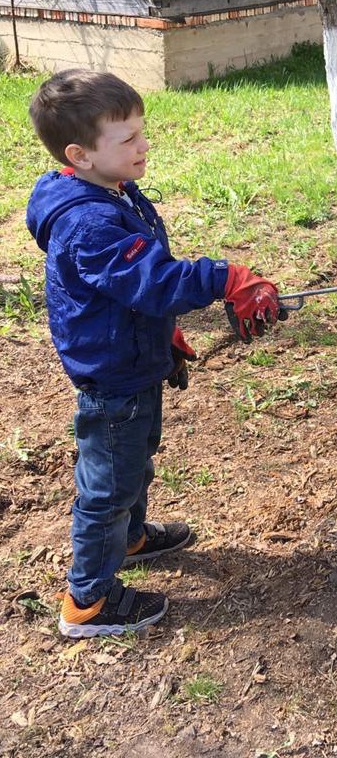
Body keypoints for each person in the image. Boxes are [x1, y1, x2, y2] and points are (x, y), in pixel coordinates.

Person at [26, 69, 279, 639]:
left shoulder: (109, 190)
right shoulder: (88, 223)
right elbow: (154, 278)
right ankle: (88, 601)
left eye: (143, 131)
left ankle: (132, 538)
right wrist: (227, 278)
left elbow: (133, 293)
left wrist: (162, 334)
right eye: (127, 138)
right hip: (113, 377)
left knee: (135, 461)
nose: (143, 146)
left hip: (133, 358)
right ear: (80, 154)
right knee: (108, 485)